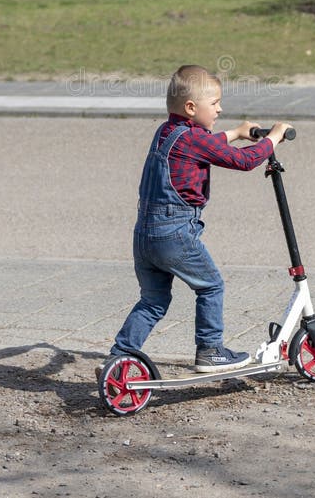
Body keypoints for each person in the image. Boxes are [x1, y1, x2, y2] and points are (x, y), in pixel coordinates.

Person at [107, 64, 293, 374]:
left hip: (145, 235)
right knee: (211, 286)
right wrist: (272, 139)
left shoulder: (167, 132)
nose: (220, 109)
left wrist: (234, 133)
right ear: (192, 108)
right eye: (215, 103)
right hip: (175, 233)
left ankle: (120, 355)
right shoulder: (195, 139)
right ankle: (210, 349)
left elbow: (206, 147)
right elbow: (246, 161)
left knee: (153, 301)